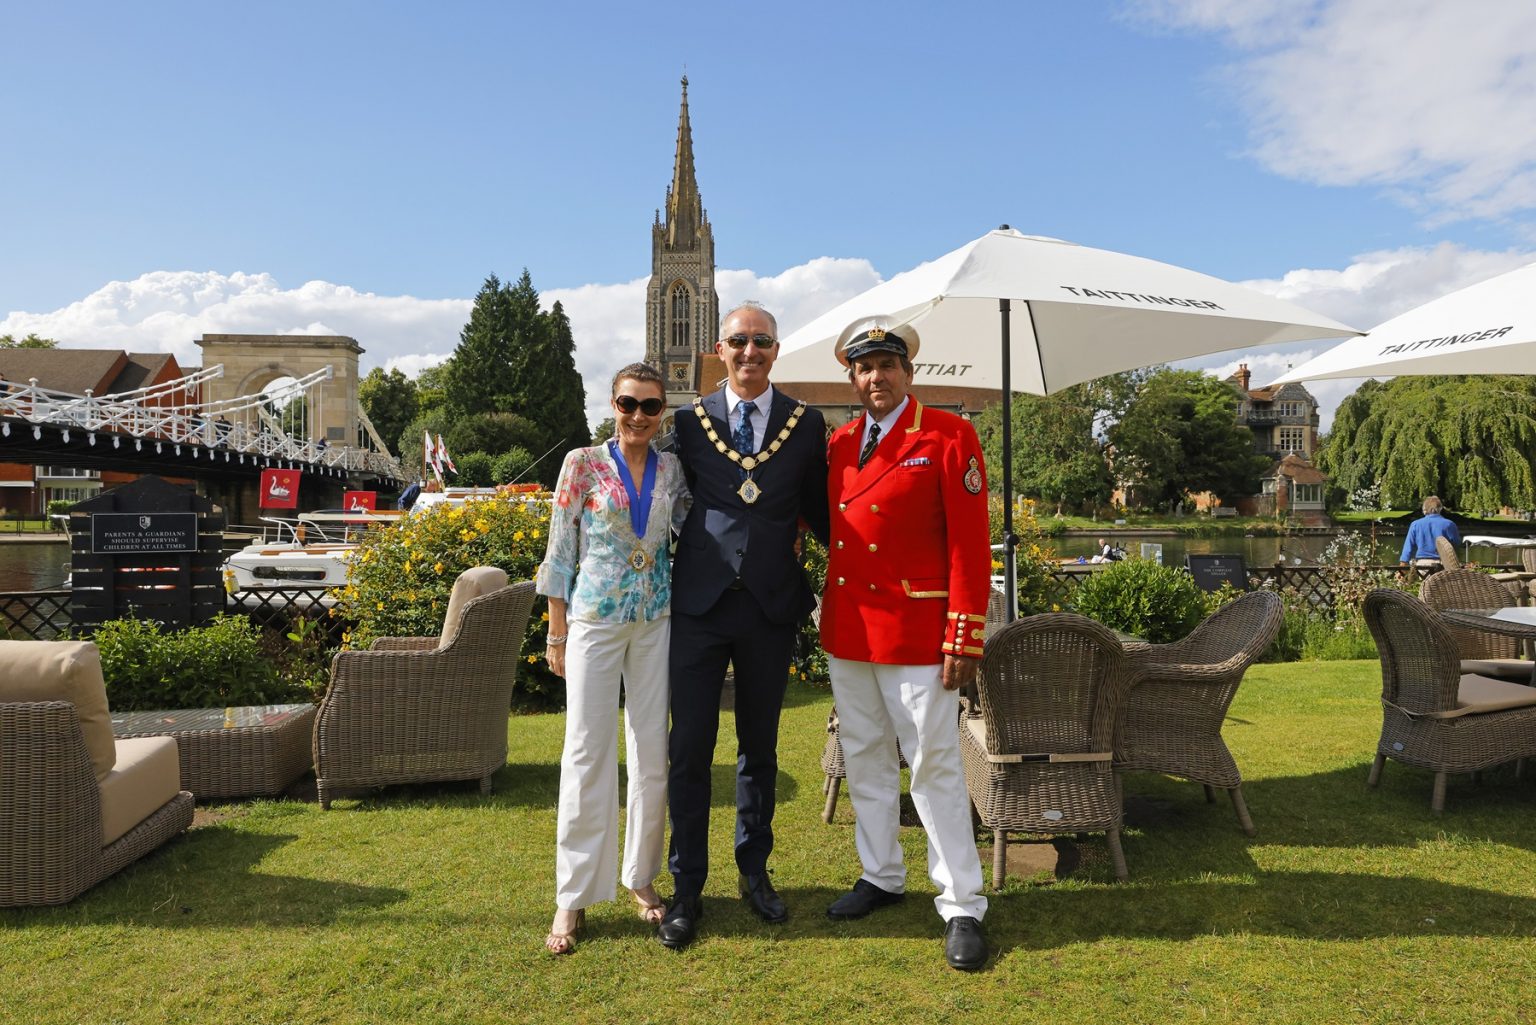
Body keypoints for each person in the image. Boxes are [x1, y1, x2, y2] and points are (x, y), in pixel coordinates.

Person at [818, 316, 991, 972]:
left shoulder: (948, 435)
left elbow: (969, 547)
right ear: (853, 378)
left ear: (908, 371)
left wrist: (964, 632)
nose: (876, 376)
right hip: (851, 628)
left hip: (919, 632)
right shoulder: (839, 446)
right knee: (863, 754)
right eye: (864, 367)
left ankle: (962, 901)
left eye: (887, 363)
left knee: (934, 764)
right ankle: (881, 872)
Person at [659, 301, 829, 950]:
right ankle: (686, 887)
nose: (749, 351)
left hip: (769, 608)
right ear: (719, 349)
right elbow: (654, 494)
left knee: (759, 751)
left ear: (776, 351)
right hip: (698, 607)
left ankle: (754, 872)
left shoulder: (805, 425)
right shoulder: (686, 421)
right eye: (739, 341)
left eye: (761, 341)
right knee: (690, 751)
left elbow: (824, 513)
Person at [535, 362, 689, 955]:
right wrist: (556, 632)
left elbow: (687, 527)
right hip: (594, 621)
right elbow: (560, 549)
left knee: (652, 752)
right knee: (585, 752)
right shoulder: (582, 463)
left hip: (655, 620)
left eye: (651, 407)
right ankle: (571, 896)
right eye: (629, 404)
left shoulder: (673, 467)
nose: (639, 417)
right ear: (613, 404)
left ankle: (640, 876)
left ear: (661, 413)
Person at [1400, 495, 1461, 565]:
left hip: (1422, 564)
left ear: (1424, 510)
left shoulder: (1415, 524)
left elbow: (1408, 548)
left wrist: (1403, 565)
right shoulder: (1449, 524)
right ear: (1440, 508)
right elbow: (1457, 542)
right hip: (1443, 564)